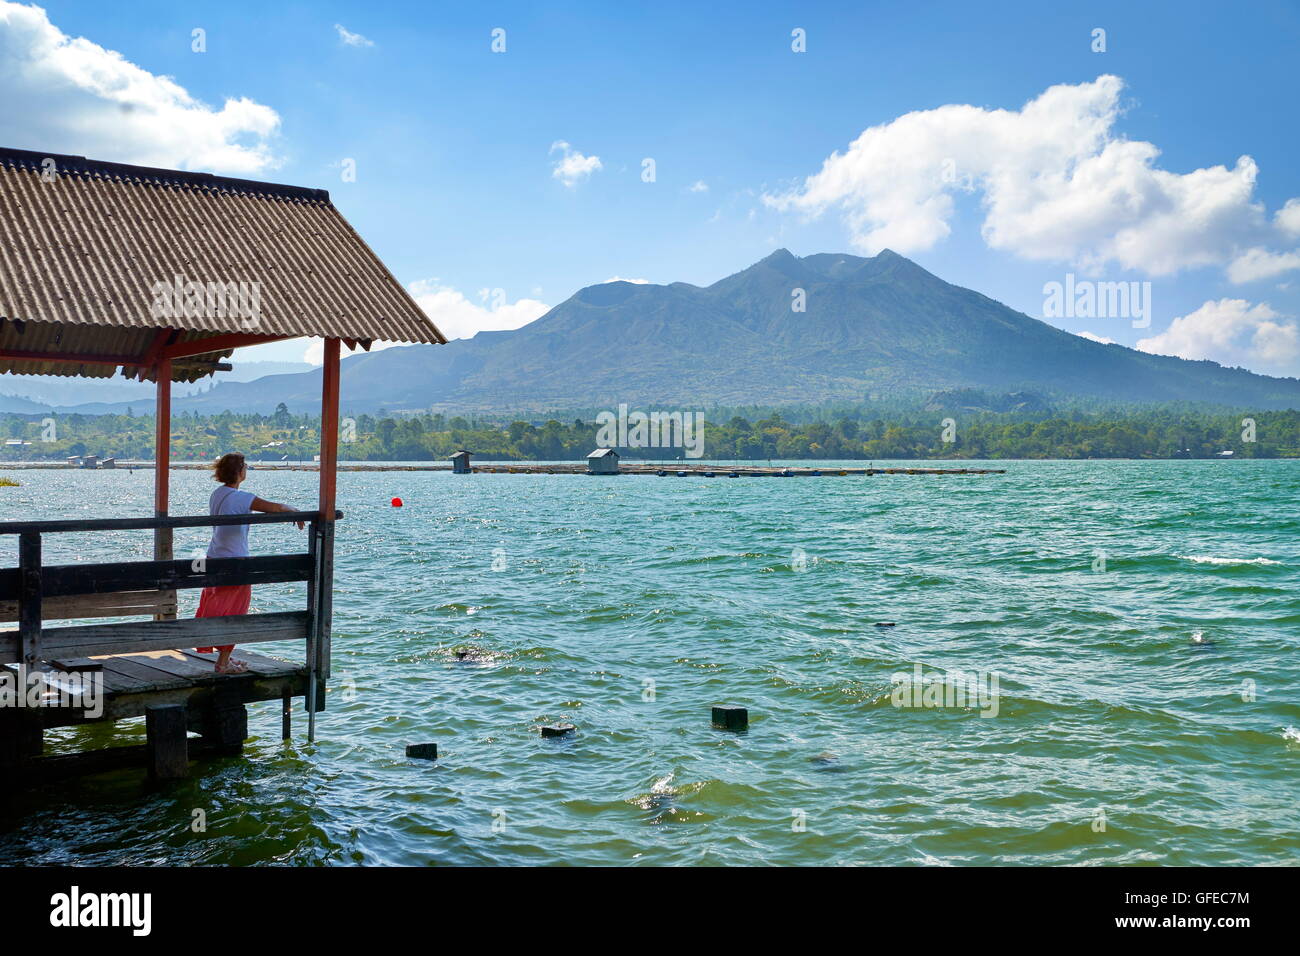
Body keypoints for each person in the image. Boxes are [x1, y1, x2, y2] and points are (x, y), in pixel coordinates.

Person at [196, 452, 303, 673]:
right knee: (235, 611)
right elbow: (274, 507)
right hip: (235, 562)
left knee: (217, 606)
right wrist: (293, 510)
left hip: (214, 557)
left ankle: (224, 657)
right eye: (245, 466)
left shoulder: (217, 494)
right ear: (239, 471)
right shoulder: (241, 497)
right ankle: (223, 663)